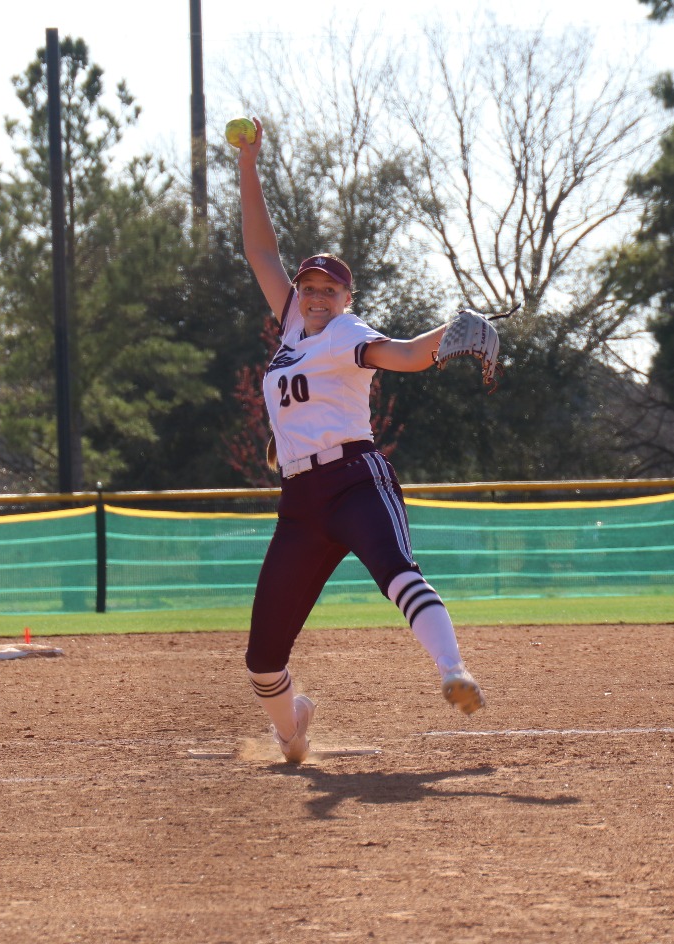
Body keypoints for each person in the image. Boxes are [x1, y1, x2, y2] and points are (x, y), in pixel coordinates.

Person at [235, 116, 486, 764]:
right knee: (262, 659)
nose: (315, 296)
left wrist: (451, 330)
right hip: (301, 502)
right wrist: (248, 161)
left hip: (354, 481)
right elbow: (260, 251)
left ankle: (454, 671)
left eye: (328, 289)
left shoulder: (348, 334)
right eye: (308, 287)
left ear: (347, 298)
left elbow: (402, 354)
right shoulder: (293, 326)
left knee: (399, 574)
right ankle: (291, 729)